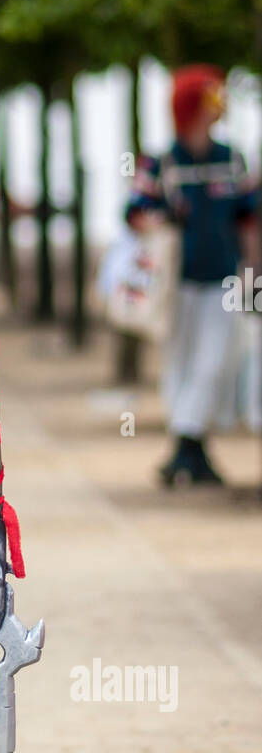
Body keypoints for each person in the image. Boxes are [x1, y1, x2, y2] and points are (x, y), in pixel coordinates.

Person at [125, 65, 259, 486]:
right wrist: (162, 223)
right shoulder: (162, 162)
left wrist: (253, 277)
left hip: (222, 279)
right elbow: (134, 214)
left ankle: (185, 446)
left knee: (217, 360)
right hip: (177, 282)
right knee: (180, 363)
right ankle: (192, 451)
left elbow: (248, 220)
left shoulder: (231, 159)